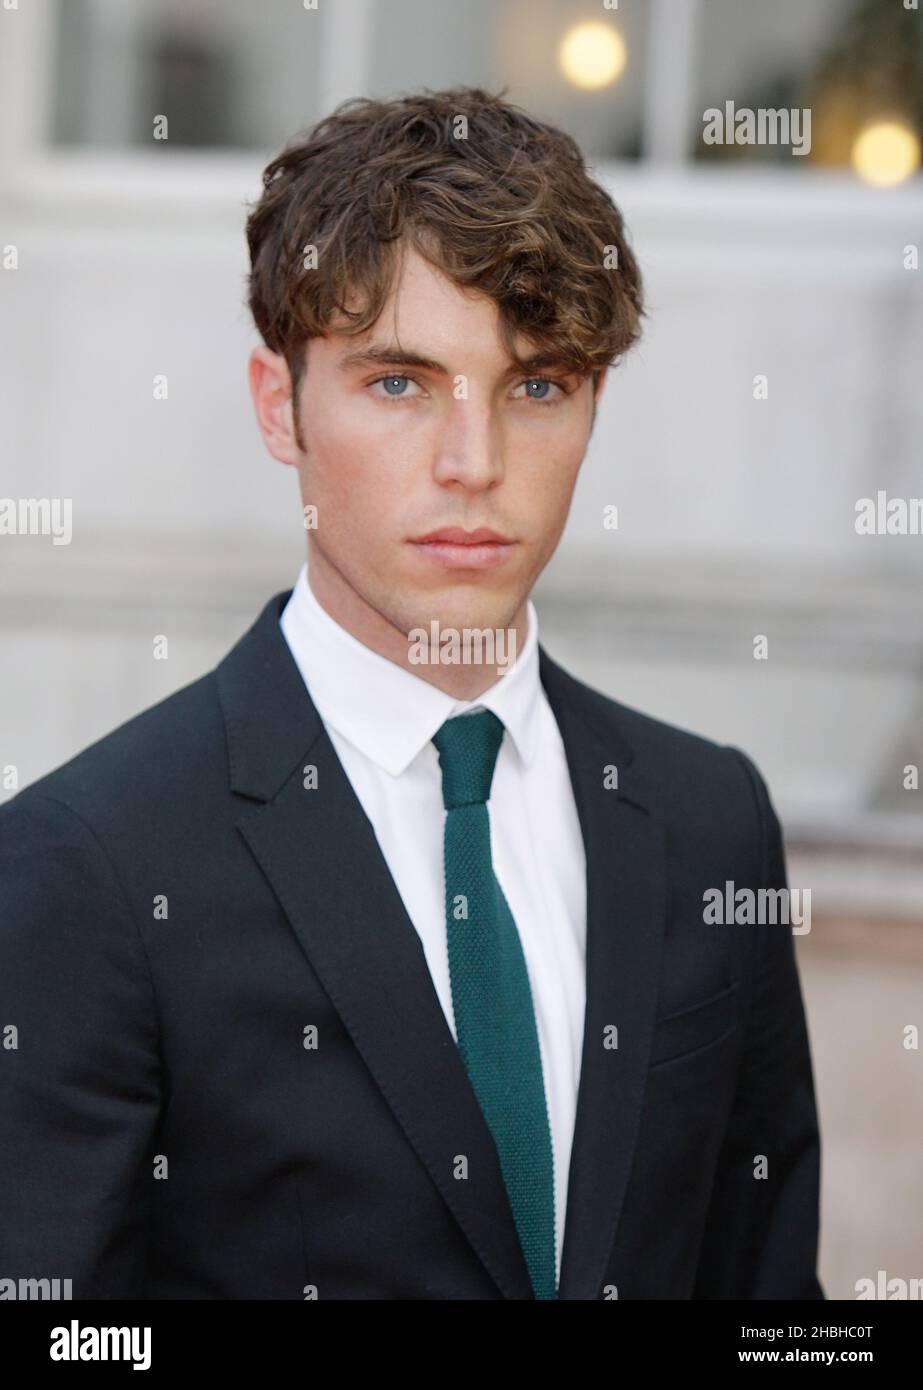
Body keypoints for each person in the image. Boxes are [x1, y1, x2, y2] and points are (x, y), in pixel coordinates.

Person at [0, 88, 823, 1300]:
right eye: (399, 382)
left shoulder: (709, 817)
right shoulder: (92, 863)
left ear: (593, 404)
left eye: (535, 384)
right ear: (281, 406)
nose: (473, 463)